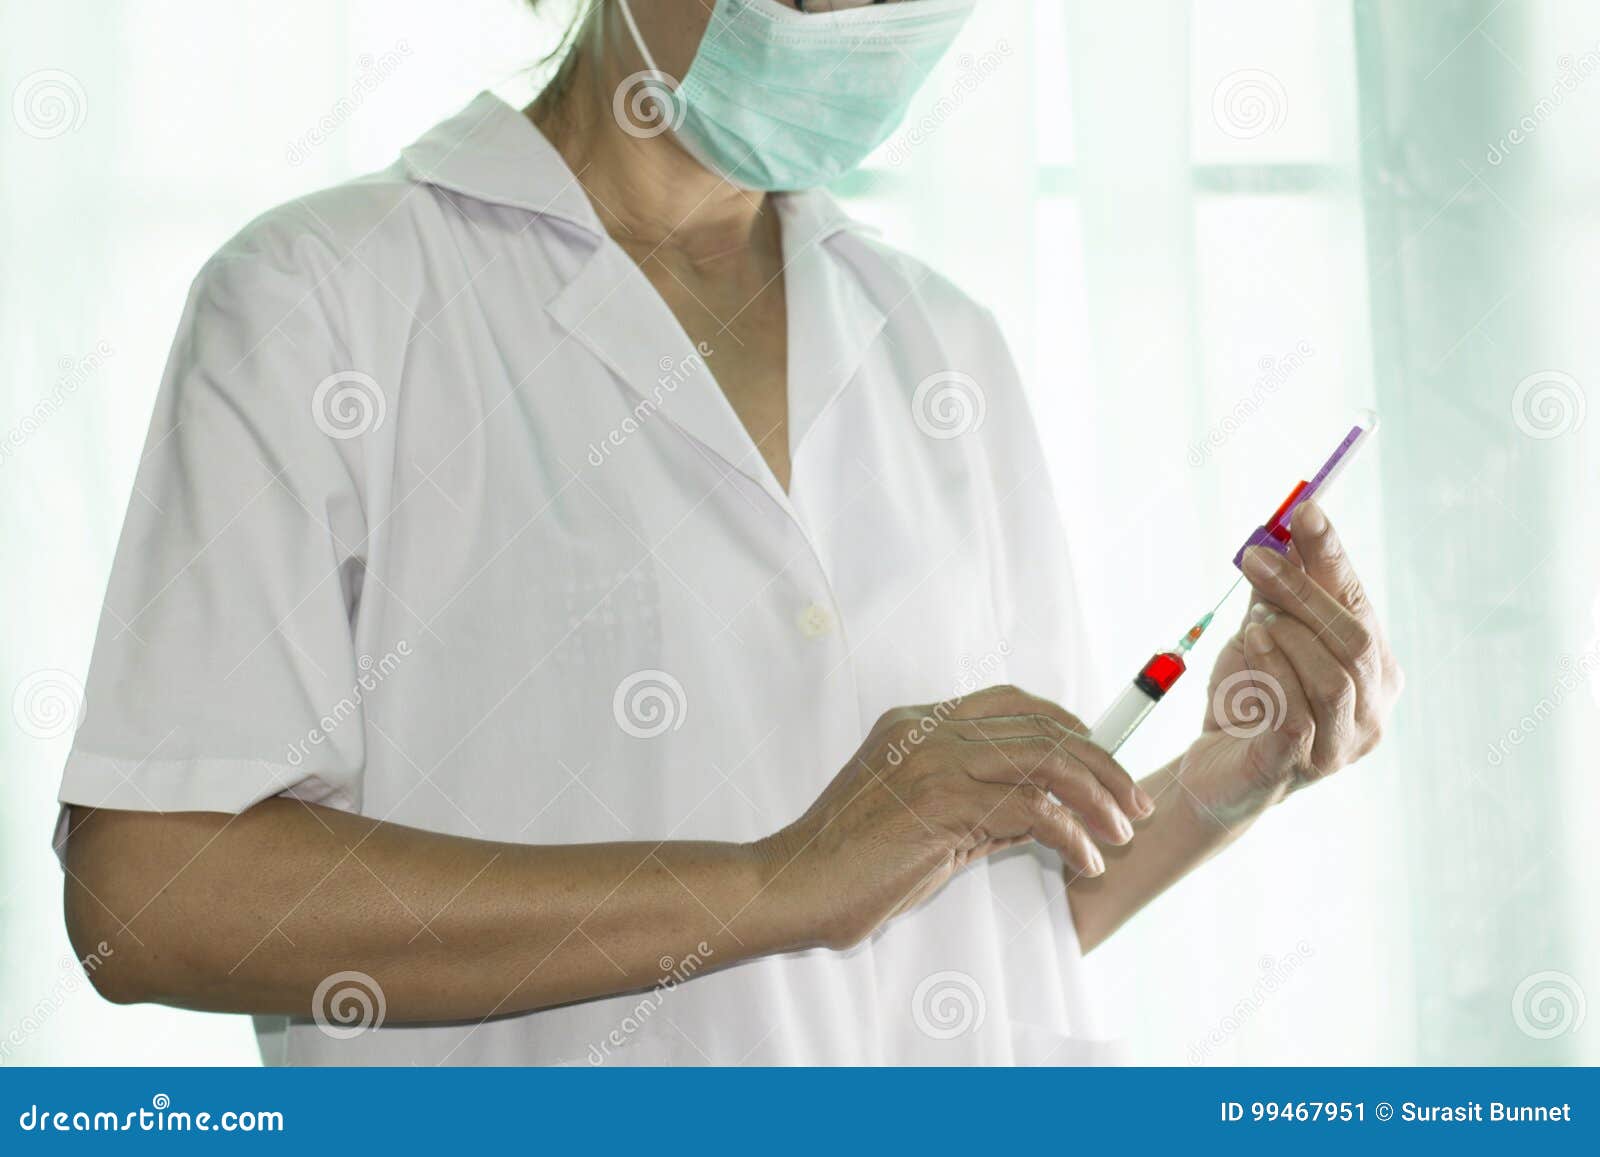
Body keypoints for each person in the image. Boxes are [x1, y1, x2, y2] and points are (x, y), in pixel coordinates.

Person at [58, 0, 1403, 1065]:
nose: (859, 17)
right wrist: (768, 880)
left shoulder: (943, 347)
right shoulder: (325, 300)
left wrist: (1233, 771)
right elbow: (152, 896)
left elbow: (974, 926)